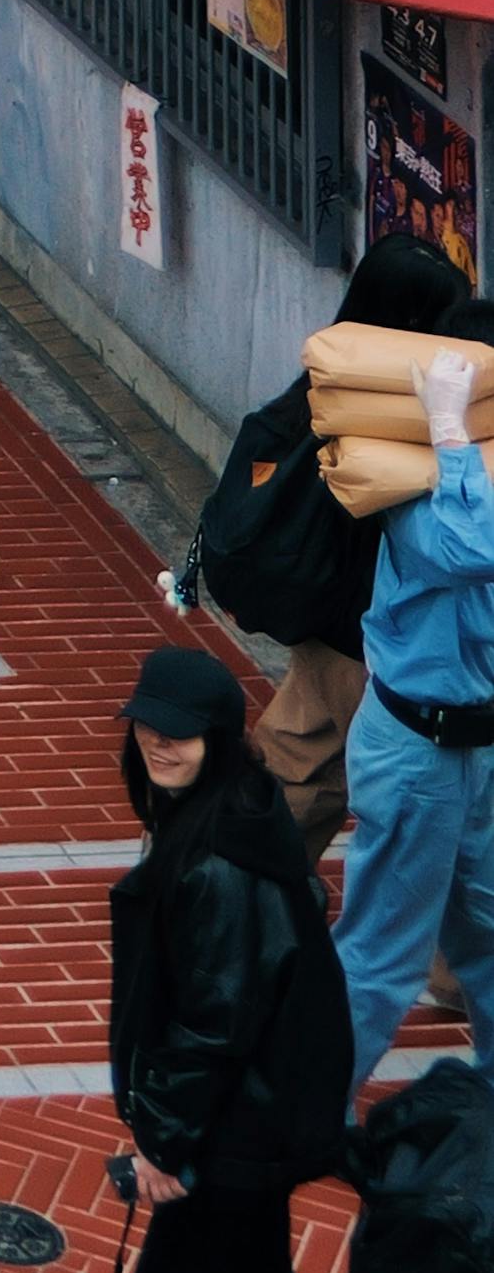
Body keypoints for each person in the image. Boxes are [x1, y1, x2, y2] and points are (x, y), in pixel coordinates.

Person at [90, 636, 373, 1273]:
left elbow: (214, 1021)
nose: (157, 747)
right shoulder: (232, 817)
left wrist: (163, 1146)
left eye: (177, 735)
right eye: (145, 731)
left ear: (217, 735)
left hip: (233, 1128)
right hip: (266, 1114)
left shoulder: (215, 861)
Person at [179, 224, 487, 846]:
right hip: (373, 632)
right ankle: (239, 878)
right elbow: (461, 543)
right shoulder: (396, 415)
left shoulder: (328, 386)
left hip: (332, 618)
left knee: (300, 752)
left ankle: (236, 874)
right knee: (365, 796)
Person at [339, 392, 494, 1088]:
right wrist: (451, 439)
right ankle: (309, 1116)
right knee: (382, 957)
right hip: (413, 750)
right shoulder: (413, 480)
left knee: (490, 940)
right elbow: (471, 547)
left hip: (483, 751)